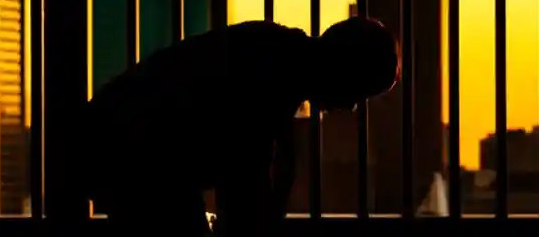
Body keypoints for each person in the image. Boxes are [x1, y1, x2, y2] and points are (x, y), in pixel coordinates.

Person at [79, 16, 400, 236]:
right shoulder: (274, 78)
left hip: (113, 141)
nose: (353, 105)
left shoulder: (276, 54)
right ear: (345, 70)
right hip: (129, 154)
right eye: (359, 90)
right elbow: (243, 188)